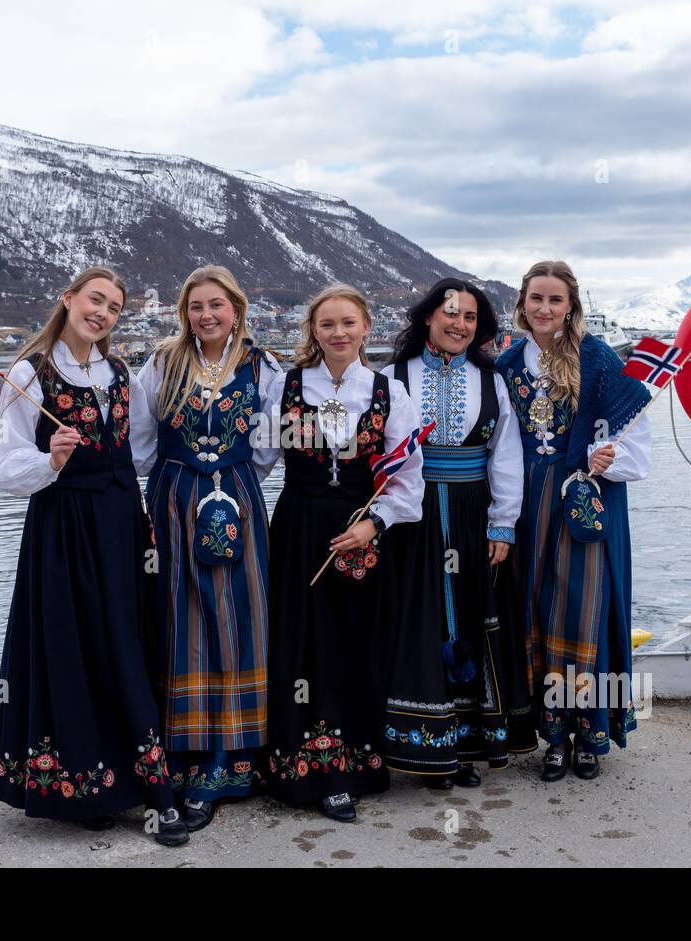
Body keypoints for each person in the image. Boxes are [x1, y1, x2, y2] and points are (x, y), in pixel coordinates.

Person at [0, 265, 187, 846]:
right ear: (69, 299)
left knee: (126, 642)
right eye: (94, 300)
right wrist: (49, 459)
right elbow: (2, 467)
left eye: (114, 307)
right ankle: (88, 788)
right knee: (73, 645)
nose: (102, 313)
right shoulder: (30, 373)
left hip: (122, 523)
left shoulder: (120, 371)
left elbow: (140, 448)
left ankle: (146, 785)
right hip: (65, 526)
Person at [262, 284, 422, 822]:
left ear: (365, 329)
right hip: (298, 528)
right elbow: (258, 457)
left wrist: (373, 524)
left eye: (348, 323)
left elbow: (408, 480)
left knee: (354, 640)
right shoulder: (283, 387)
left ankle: (351, 768)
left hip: (361, 532)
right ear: (313, 331)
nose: (338, 333)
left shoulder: (387, 390)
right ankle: (301, 767)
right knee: (300, 641)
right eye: (327, 324)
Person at [132, 265, 283, 831]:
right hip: (173, 495)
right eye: (197, 307)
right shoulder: (162, 363)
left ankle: (231, 755)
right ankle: (183, 751)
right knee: (179, 614)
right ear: (184, 313)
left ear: (236, 308)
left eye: (217, 305)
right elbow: (141, 441)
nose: (207, 316)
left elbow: (268, 441)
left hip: (237, 496)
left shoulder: (261, 365)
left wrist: (234, 478)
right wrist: (151, 499)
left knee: (237, 617)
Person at [494, 260, 651, 782]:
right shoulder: (509, 364)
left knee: (584, 613)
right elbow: (503, 445)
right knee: (537, 611)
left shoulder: (598, 360)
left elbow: (635, 447)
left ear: (571, 307)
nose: (543, 308)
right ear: (522, 304)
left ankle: (590, 732)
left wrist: (608, 457)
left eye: (555, 300)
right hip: (530, 501)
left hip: (588, 498)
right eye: (535, 298)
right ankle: (552, 736)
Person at [378, 278, 531, 789]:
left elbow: (506, 458)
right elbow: (373, 453)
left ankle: (463, 748)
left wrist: (503, 523)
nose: (459, 324)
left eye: (469, 317)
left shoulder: (493, 383)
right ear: (428, 317)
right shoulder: (392, 377)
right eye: (450, 313)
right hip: (409, 516)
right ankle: (417, 746)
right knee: (412, 619)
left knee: (468, 619)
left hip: (472, 515)